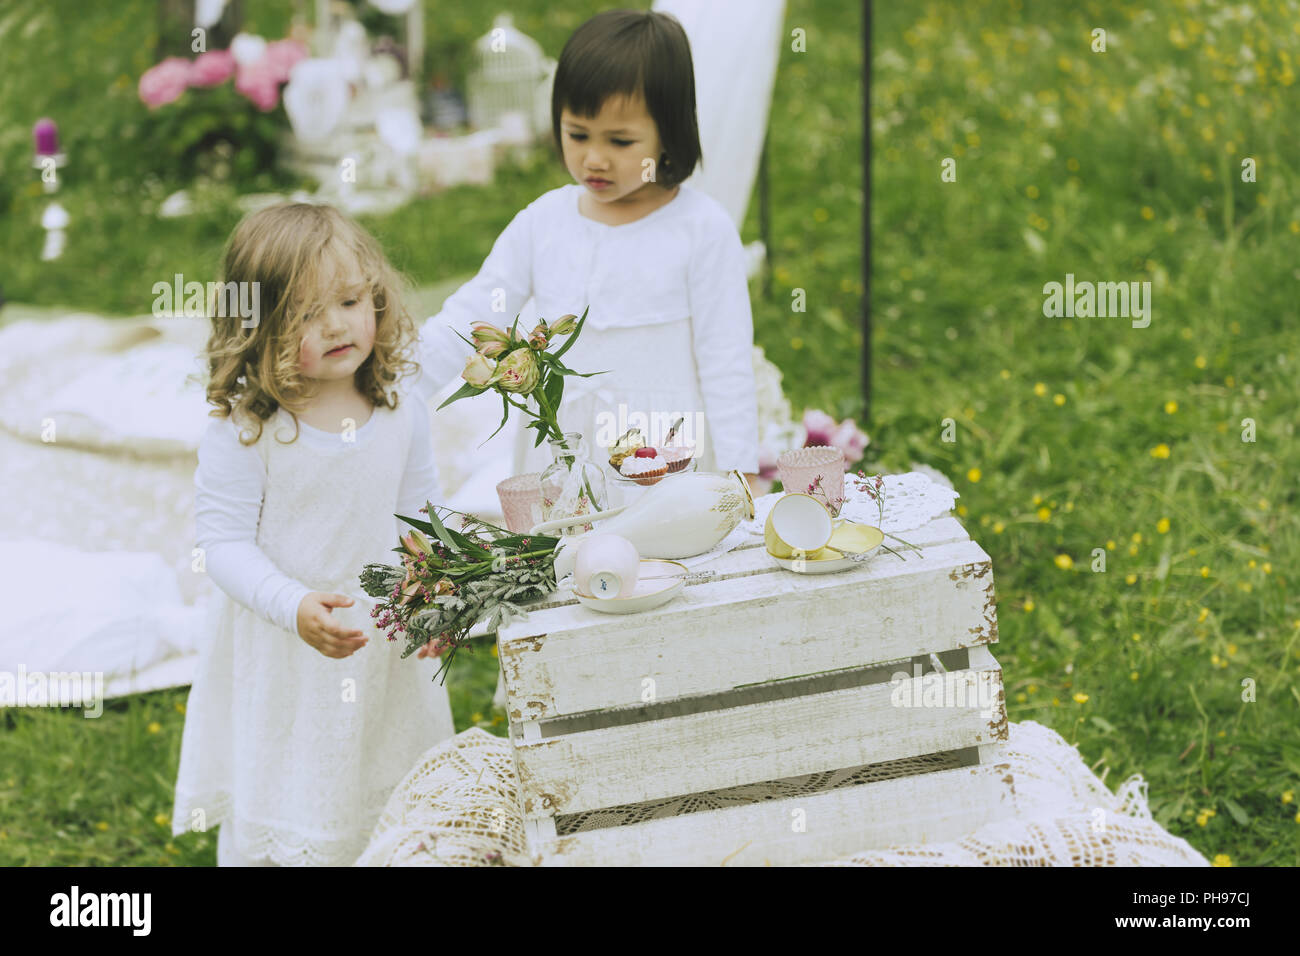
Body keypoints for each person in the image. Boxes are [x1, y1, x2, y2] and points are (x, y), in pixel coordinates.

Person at [171, 203, 455, 866]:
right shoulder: (249, 428)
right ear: (259, 327)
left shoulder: (398, 406)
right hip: (286, 652)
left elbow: (420, 513)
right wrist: (291, 605)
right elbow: (222, 543)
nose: (336, 325)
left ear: (376, 297)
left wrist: (437, 587)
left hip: (379, 642)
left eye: (351, 300)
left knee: (385, 784)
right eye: (303, 314)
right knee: (283, 791)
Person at [418, 9, 761, 504]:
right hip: (561, 446)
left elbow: (726, 358)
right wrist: (398, 375)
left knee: (661, 560)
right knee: (564, 560)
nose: (594, 158)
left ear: (668, 134)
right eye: (577, 134)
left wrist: (739, 467)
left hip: (660, 455)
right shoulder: (544, 221)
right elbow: (478, 309)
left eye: (620, 141)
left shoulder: (701, 230)